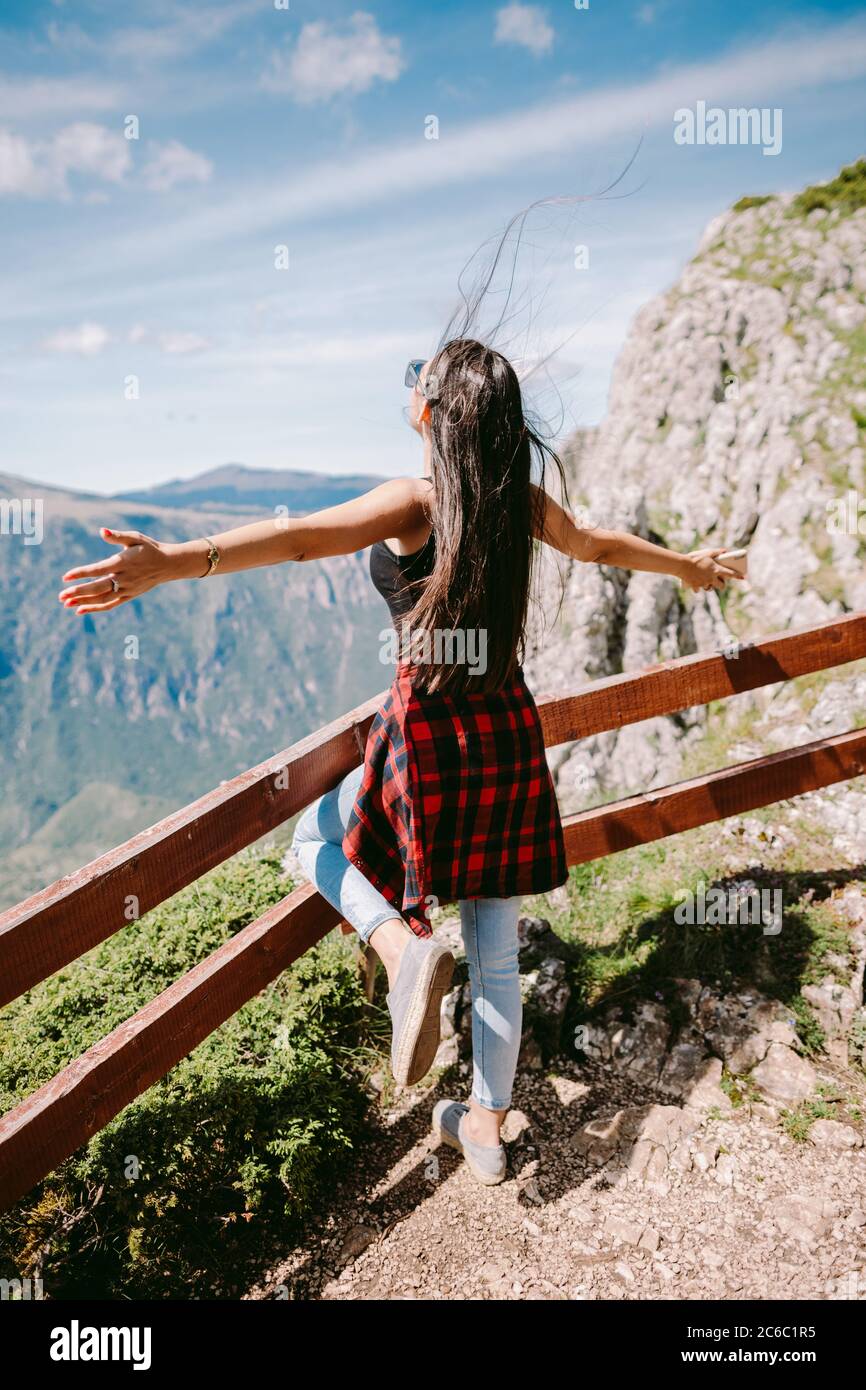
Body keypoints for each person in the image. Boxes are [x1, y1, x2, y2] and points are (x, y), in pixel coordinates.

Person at [57, 337, 741, 1186]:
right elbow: (597, 545)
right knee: (495, 942)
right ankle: (484, 1124)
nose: (410, 383)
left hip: (425, 732)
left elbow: (301, 539)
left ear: (429, 412)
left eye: (418, 379)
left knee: (312, 841)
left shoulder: (417, 500)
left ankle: (397, 945)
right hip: (504, 727)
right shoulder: (517, 503)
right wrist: (690, 567)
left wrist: (172, 564)